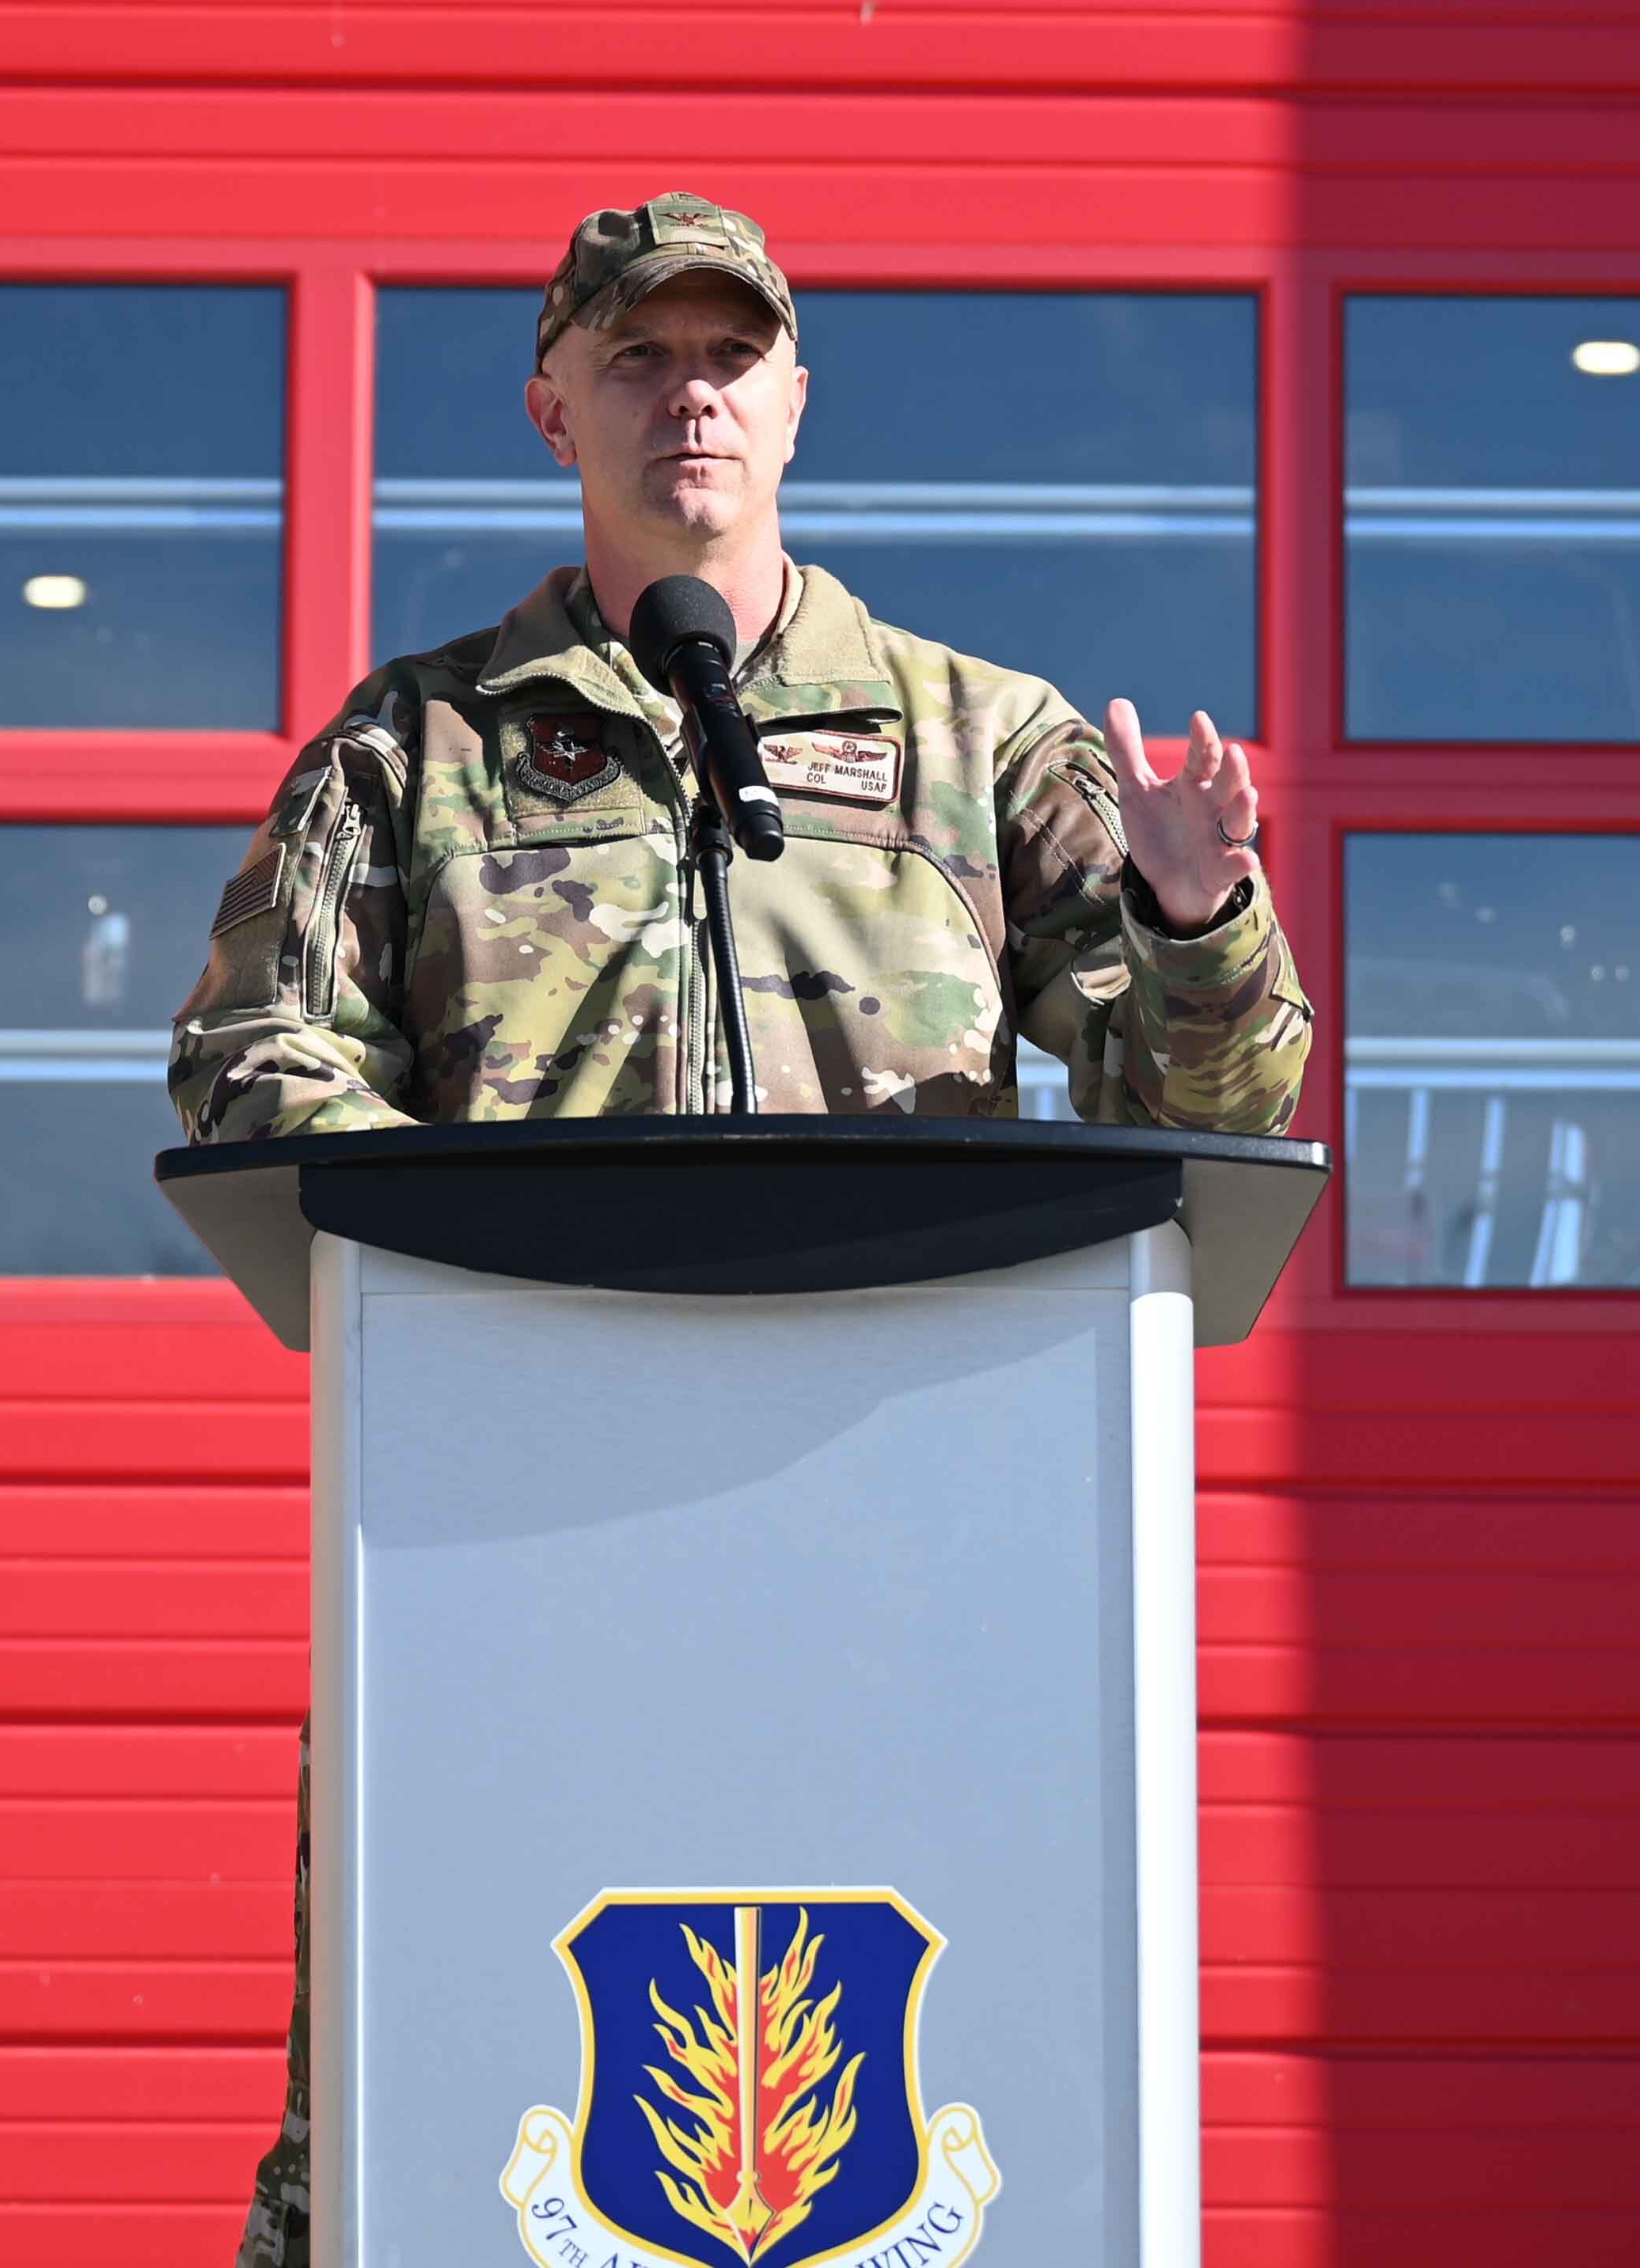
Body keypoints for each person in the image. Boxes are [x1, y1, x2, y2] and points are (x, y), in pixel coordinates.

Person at [168, 192, 1315, 2268]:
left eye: (728, 356)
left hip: (913, 1567)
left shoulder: (982, 741)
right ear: (553, 407)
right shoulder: (413, 751)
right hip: (503, 1550)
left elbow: (1211, 1111)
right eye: (637, 356)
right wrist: (486, 1244)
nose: (687, 395)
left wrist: (1193, 916)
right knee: (407, 2112)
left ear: (796, 401)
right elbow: (257, 1063)